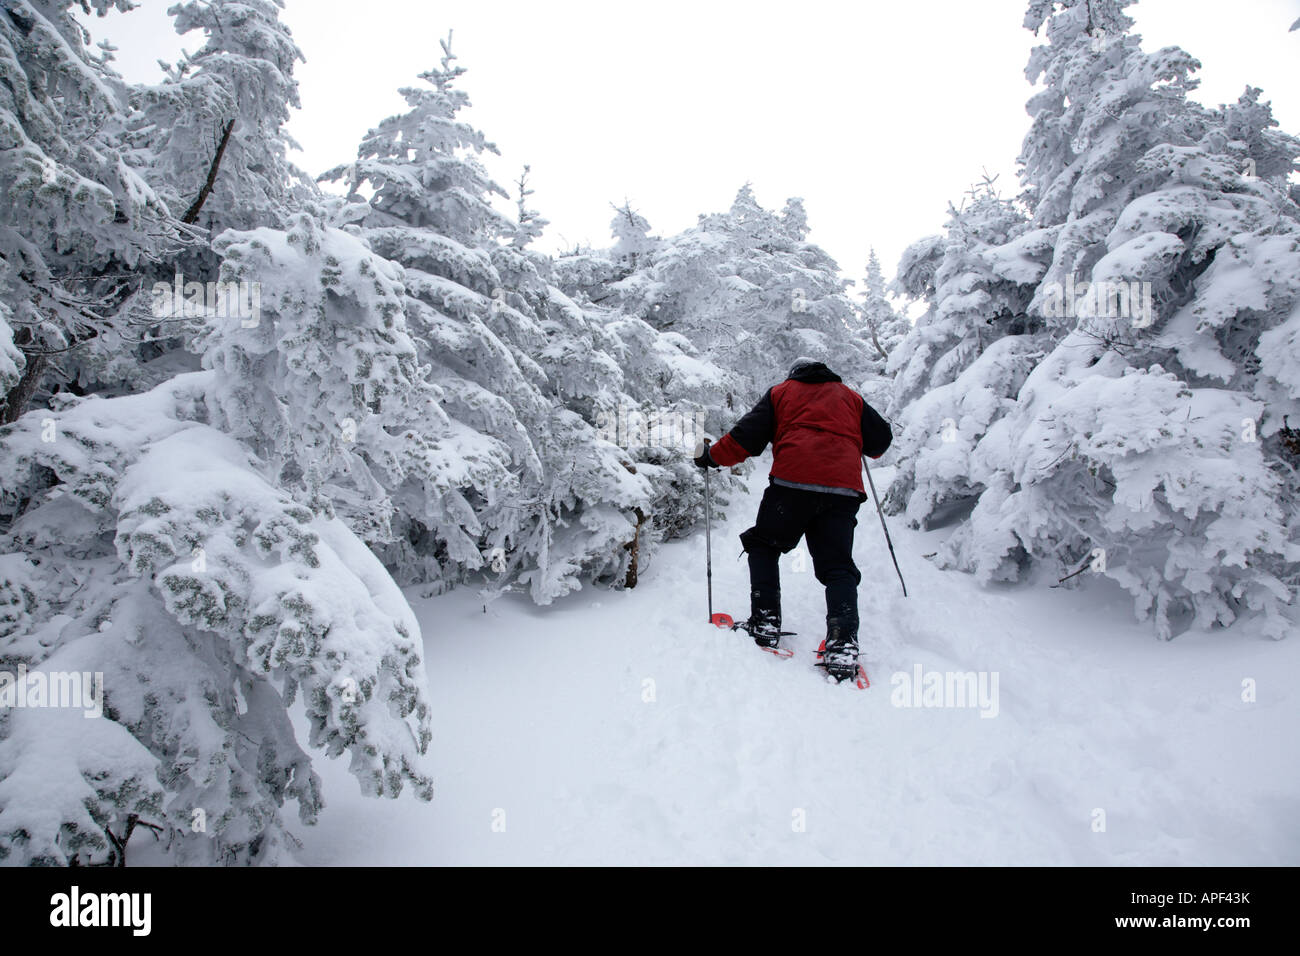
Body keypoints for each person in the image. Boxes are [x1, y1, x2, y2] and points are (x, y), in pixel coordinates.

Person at [693, 357, 892, 681]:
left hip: (792, 486)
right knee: (837, 567)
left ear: (794, 375)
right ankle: (842, 646)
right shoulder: (850, 397)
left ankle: (765, 623)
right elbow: (880, 443)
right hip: (842, 491)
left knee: (764, 544)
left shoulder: (782, 393)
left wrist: (712, 456)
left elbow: (746, 437)